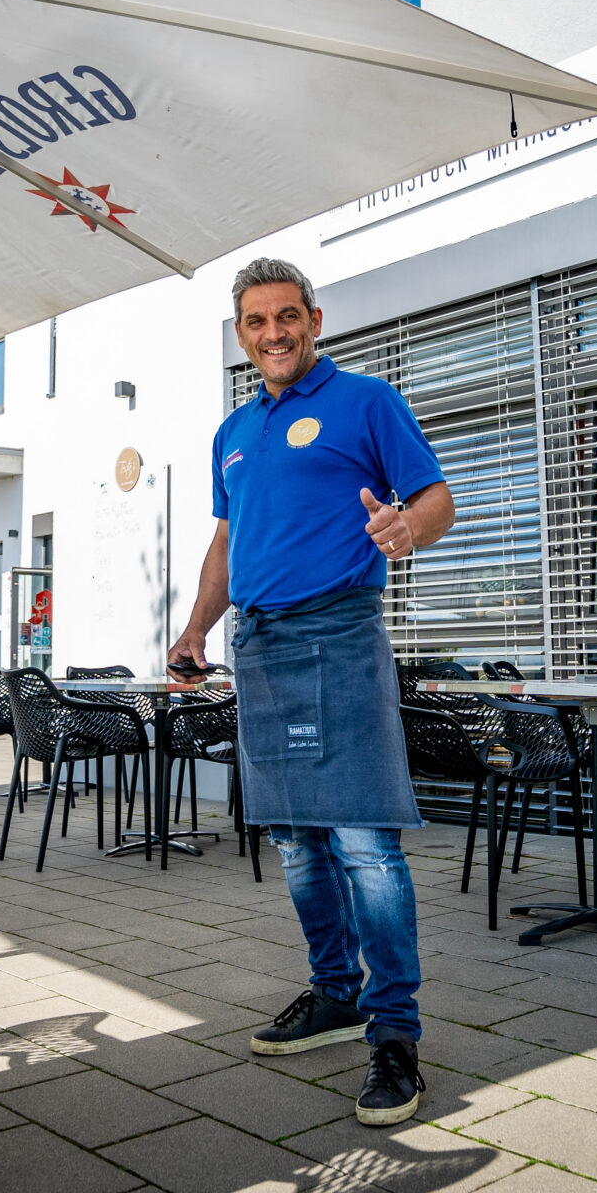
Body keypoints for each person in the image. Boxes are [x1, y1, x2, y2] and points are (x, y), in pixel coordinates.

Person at [169, 257, 455, 1127]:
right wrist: (194, 630)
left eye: (287, 316)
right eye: (257, 322)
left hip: (339, 630)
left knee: (364, 839)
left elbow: (438, 496)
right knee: (295, 839)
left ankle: (395, 1033)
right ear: (242, 333)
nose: (274, 333)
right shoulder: (234, 432)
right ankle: (335, 992)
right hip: (257, 641)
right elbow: (229, 541)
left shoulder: (367, 401)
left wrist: (408, 526)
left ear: (315, 319)